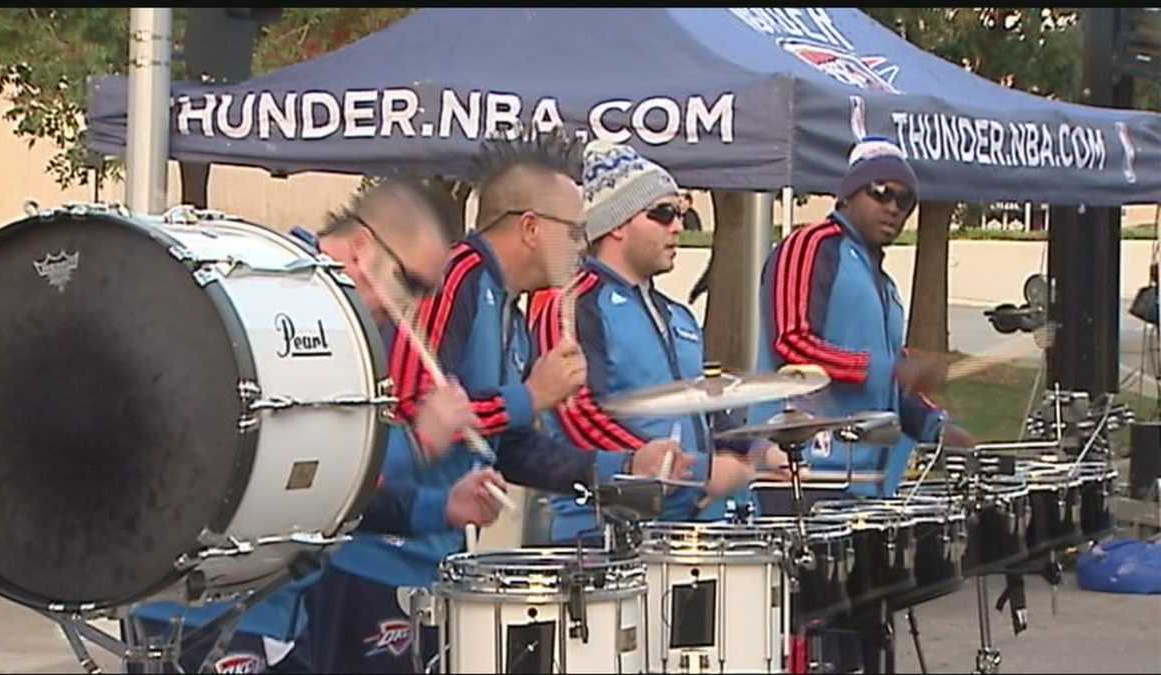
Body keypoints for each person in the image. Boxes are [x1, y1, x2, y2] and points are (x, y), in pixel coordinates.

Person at [299, 130, 682, 674]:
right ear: (530, 228)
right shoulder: (452, 280)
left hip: (435, 560)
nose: (583, 246)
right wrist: (529, 396)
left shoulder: (513, 312)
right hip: (376, 562)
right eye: (574, 231)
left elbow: (511, 448)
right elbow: (411, 413)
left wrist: (621, 469)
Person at [126, 180, 506, 674]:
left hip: (273, 605)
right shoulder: (277, 298)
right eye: (409, 283)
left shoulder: (337, 320)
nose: (412, 308)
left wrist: (442, 506)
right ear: (363, 248)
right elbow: (283, 465)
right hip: (206, 608)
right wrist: (417, 443)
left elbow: (323, 506)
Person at [747, 136, 975, 673]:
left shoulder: (885, 285)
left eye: (905, 200)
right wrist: (885, 368)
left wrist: (940, 427)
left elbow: (889, 389)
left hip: (868, 488)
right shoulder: (811, 246)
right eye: (882, 192)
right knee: (818, 644)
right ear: (849, 194)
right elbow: (792, 340)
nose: (894, 207)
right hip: (806, 478)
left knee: (867, 641)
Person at [529, 140, 784, 544]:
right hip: (603, 535)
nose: (678, 226)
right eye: (663, 214)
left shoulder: (678, 315)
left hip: (685, 533)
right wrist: (694, 472)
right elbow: (577, 419)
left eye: (681, 213)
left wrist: (762, 450)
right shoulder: (573, 306)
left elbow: (705, 408)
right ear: (617, 224)